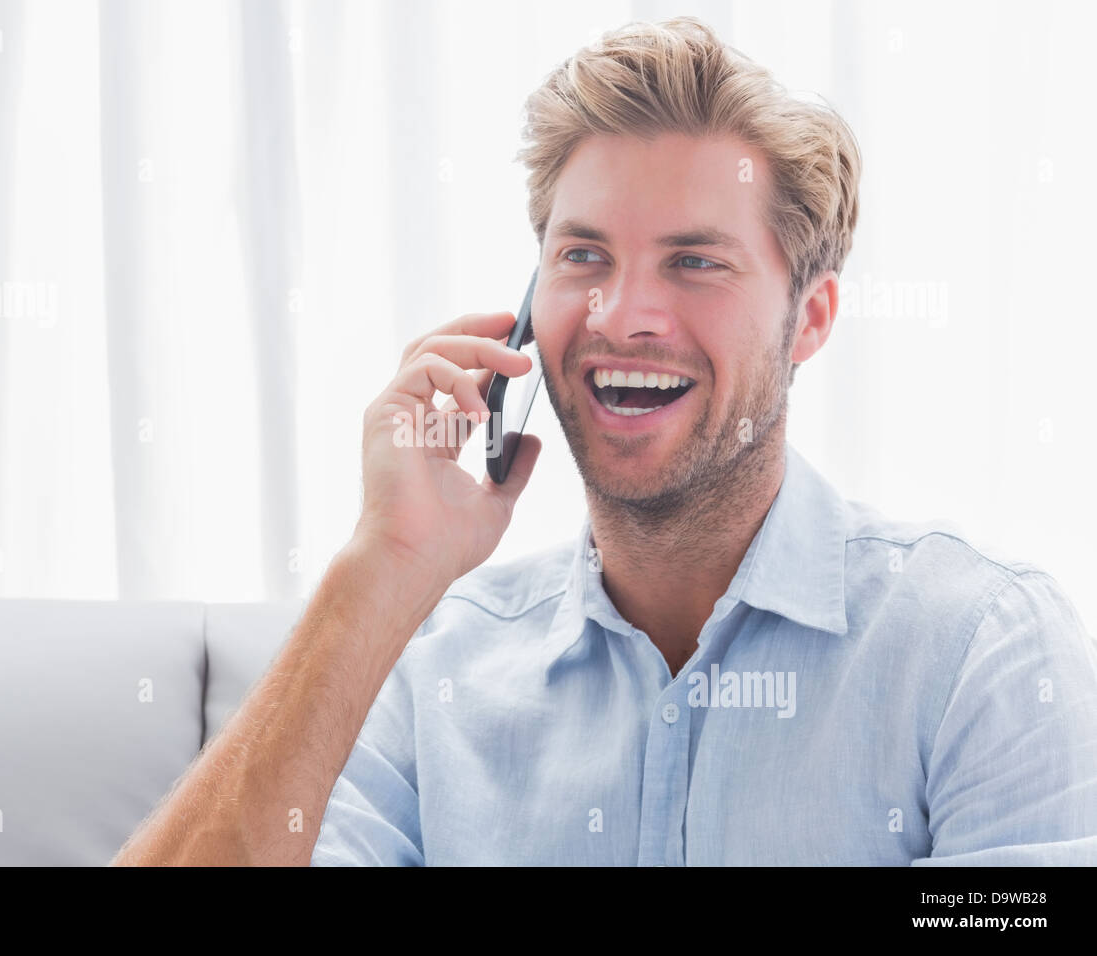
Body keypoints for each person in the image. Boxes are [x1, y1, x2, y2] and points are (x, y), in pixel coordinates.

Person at [113, 16, 1097, 866]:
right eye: (583, 255)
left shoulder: (978, 651)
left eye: (695, 261)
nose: (623, 314)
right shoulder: (430, 672)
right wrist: (380, 567)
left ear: (810, 317)